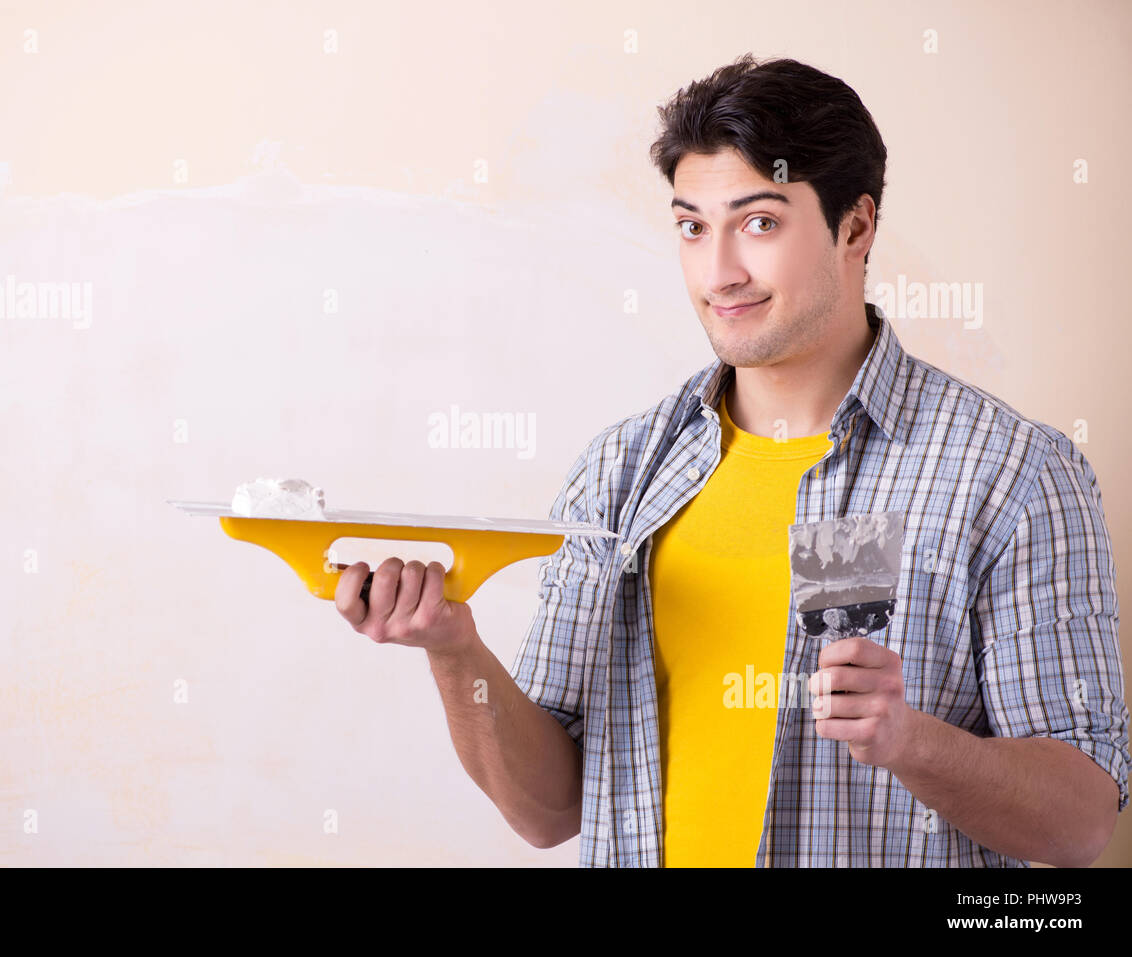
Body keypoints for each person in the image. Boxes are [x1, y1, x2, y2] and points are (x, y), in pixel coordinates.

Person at [334, 53, 1129, 867]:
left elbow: (1080, 821)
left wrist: (909, 740)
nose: (718, 274)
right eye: (692, 227)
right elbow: (549, 810)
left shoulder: (1012, 474)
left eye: (759, 223)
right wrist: (453, 649)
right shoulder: (622, 471)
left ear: (855, 227)